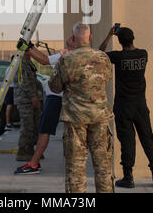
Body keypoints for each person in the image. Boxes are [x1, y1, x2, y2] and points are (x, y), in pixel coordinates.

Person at [49, 22, 114, 193]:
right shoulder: (103, 58)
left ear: (73, 38)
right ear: (90, 38)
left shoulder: (67, 60)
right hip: (99, 116)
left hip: (75, 119)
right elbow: (106, 79)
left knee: (76, 167)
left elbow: (54, 86)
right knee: (103, 166)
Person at [99, 26, 153, 188]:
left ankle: (128, 177)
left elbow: (99, 54)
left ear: (119, 40)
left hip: (123, 107)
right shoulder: (143, 54)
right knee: (147, 139)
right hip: (140, 106)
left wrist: (108, 36)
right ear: (133, 38)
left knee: (127, 142)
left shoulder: (118, 57)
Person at [15, 37, 75, 174]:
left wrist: (28, 48)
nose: (69, 38)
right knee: (68, 130)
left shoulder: (67, 54)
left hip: (56, 96)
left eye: (72, 37)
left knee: (44, 130)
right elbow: (45, 59)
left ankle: (34, 163)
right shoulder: (76, 55)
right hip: (65, 97)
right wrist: (30, 47)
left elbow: (45, 60)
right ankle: (71, 165)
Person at [14, 51, 43, 161]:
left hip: (31, 99)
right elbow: (25, 82)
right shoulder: (21, 63)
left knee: (35, 125)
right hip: (26, 100)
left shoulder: (27, 62)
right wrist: (33, 97)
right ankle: (23, 150)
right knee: (27, 126)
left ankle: (30, 148)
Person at [4, 56, 15, 131]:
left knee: (11, 106)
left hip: (12, 87)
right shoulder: (11, 69)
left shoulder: (10, 68)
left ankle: (10, 122)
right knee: (9, 105)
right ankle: (7, 124)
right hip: (11, 88)